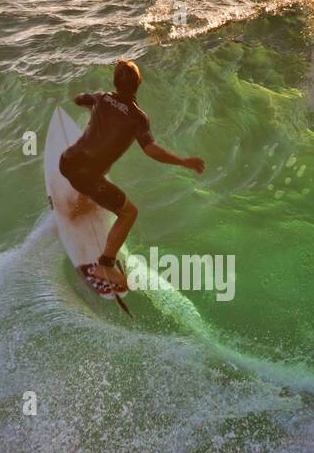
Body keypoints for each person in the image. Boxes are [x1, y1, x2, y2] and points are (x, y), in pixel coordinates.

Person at [60, 59, 205, 288]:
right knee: (129, 213)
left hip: (67, 162)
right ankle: (105, 266)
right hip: (86, 176)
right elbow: (150, 149)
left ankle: (79, 205)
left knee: (101, 169)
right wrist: (183, 161)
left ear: (115, 82)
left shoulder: (102, 97)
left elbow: (79, 99)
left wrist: (94, 106)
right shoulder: (138, 118)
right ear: (139, 84)